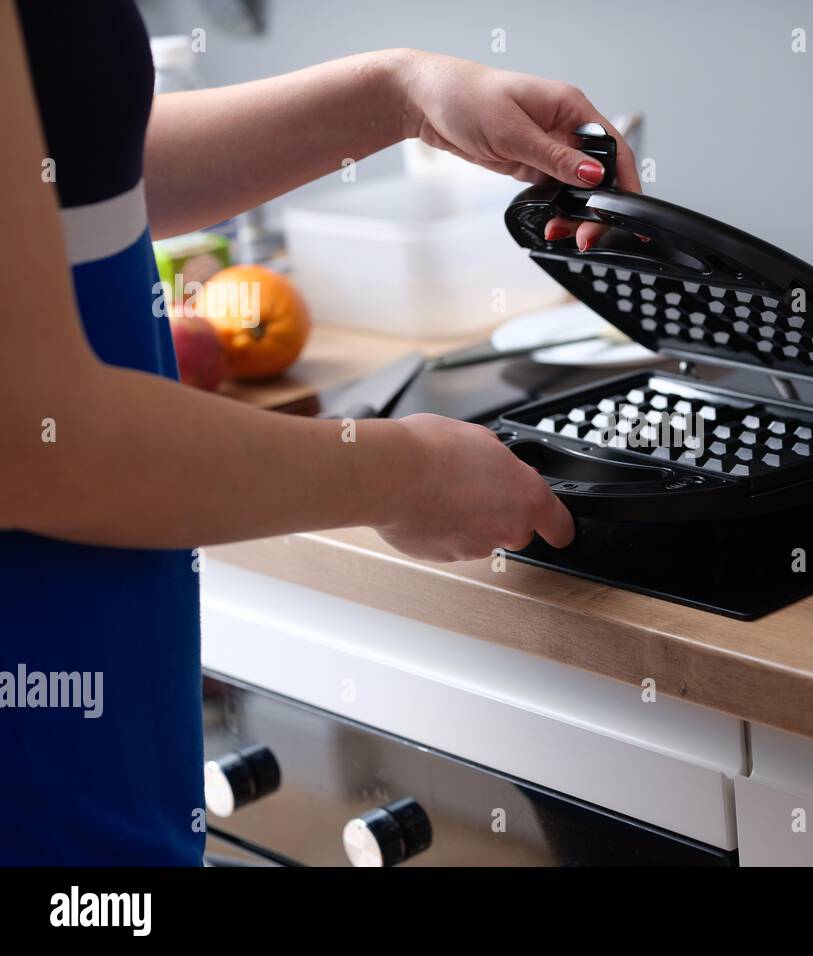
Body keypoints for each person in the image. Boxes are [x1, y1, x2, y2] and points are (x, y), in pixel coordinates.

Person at [0, 0, 641, 864]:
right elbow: (37, 448)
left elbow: (78, 170)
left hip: (109, 648)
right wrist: (399, 473)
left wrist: (399, 96)